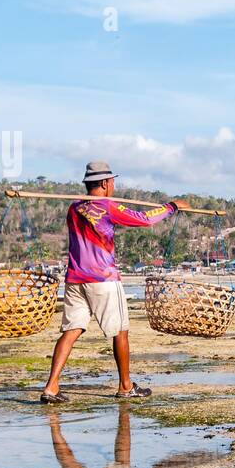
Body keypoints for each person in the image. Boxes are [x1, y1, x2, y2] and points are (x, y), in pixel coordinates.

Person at [40, 162, 188, 403]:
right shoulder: (108, 207)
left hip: (75, 279)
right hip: (103, 279)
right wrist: (170, 207)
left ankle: (51, 387)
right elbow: (143, 219)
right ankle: (126, 386)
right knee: (120, 331)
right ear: (105, 183)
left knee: (71, 330)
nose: (113, 186)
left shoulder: (74, 207)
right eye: (112, 182)